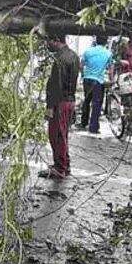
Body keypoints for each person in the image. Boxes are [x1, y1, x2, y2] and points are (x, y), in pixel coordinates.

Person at [40, 34, 79, 179]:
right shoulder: (74, 55)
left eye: (49, 40)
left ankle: (60, 168)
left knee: (56, 135)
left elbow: (56, 85)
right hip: (70, 100)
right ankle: (64, 165)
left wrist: (50, 106)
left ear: (56, 40)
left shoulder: (60, 59)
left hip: (60, 102)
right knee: (63, 135)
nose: (47, 44)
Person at [78, 35, 113, 134]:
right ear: (106, 42)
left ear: (96, 41)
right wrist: (111, 81)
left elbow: (81, 65)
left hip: (87, 79)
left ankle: (83, 122)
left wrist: (83, 74)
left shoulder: (88, 51)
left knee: (86, 101)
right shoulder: (108, 53)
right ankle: (93, 128)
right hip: (98, 81)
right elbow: (110, 70)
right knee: (96, 104)